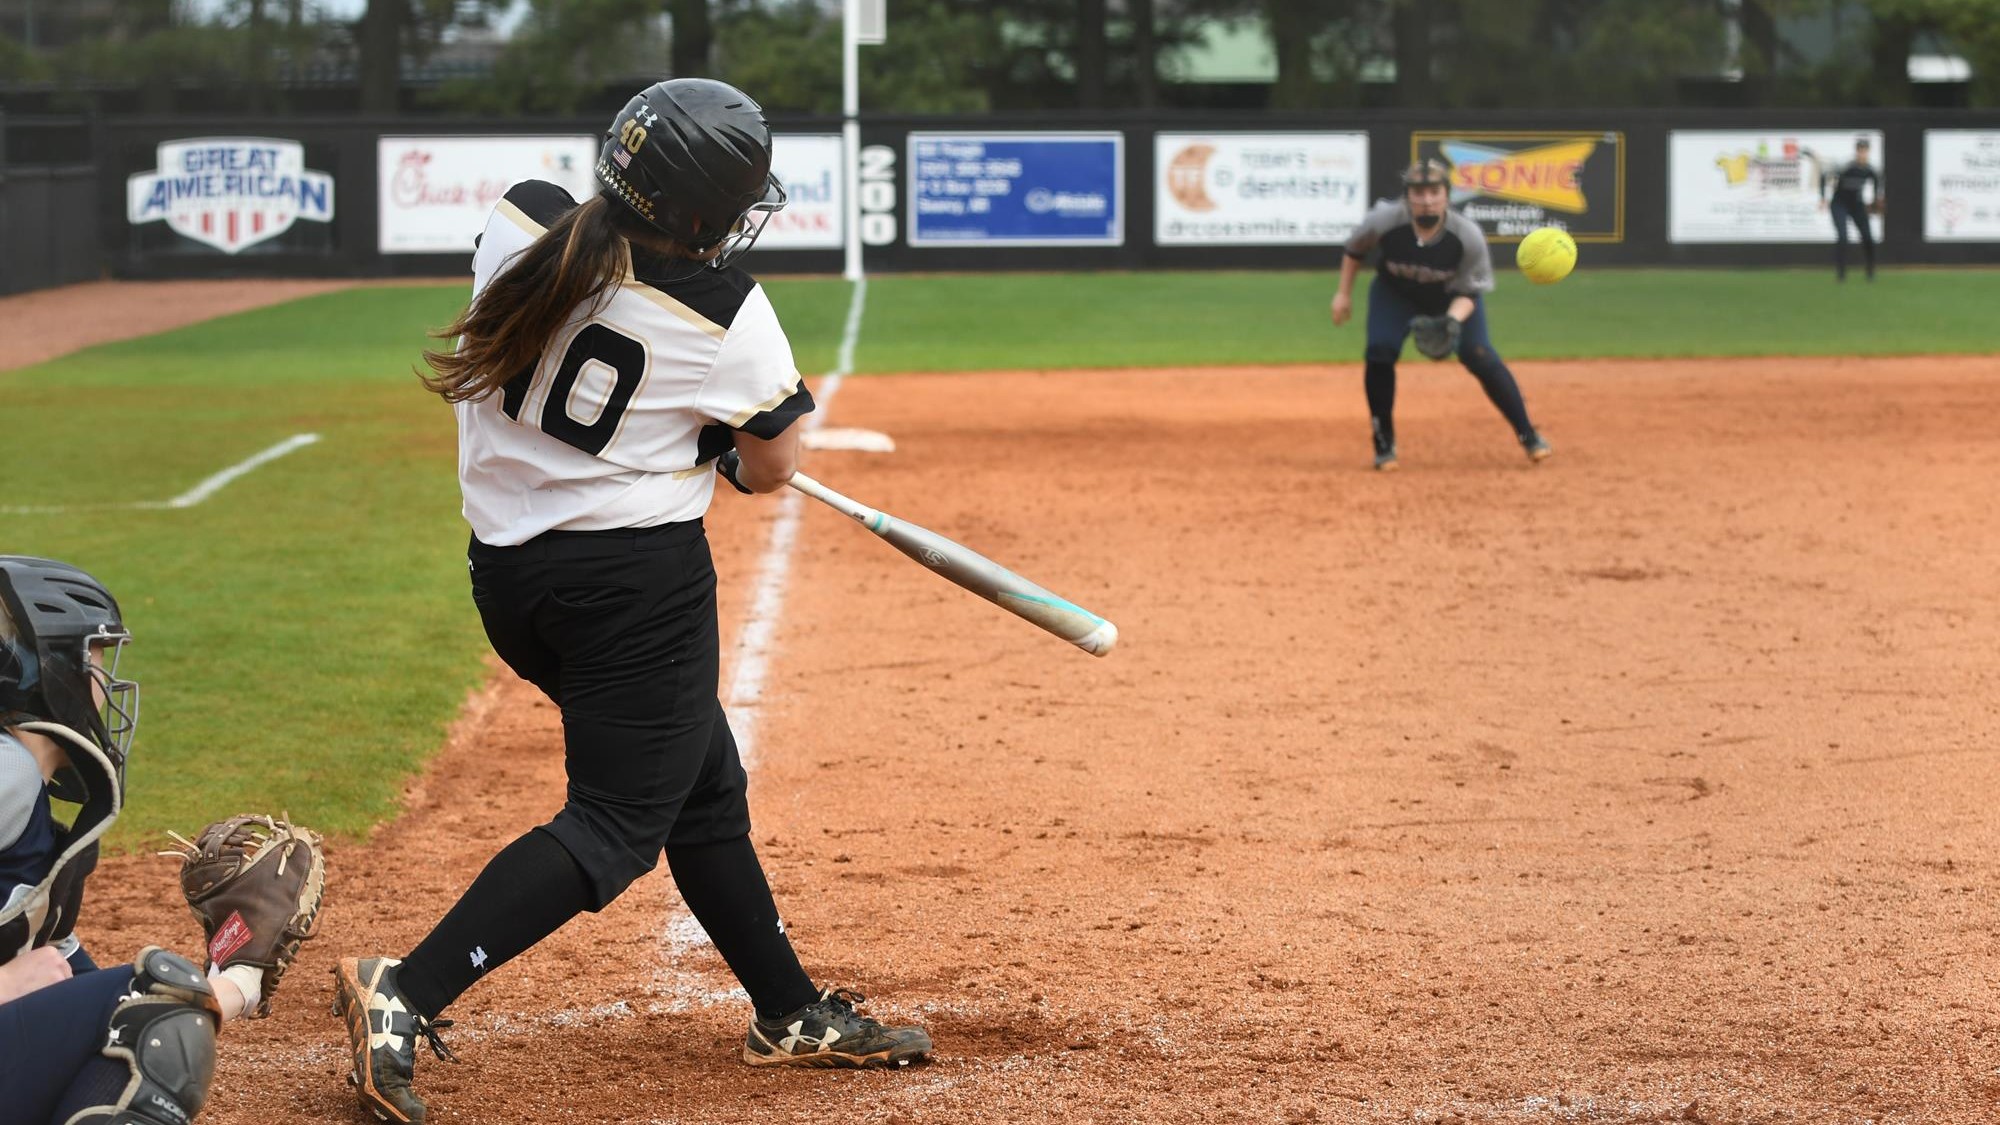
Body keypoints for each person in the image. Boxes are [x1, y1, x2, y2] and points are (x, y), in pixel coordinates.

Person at [332, 77, 931, 1125]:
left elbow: (588, 328)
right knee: (615, 822)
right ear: (700, 212)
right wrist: (718, 451)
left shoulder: (521, 220)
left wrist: (687, 435)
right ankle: (407, 989)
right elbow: (772, 464)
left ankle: (787, 1010)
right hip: (632, 594)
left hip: (510, 583)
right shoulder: (727, 309)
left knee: (699, 781)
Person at [0, 556, 306, 1125]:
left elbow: (118, 1005)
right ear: (44, 667)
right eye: (94, 655)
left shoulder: (21, 785)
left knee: (148, 1016)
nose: (105, 680)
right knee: (157, 1009)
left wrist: (233, 983)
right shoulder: (8, 773)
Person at [1330, 159, 1551, 471]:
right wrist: (1343, 294)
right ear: (1407, 196)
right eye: (1418, 193)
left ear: (1446, 194)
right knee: (1380, 350)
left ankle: (1528, 435)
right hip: (1395, 294)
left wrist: (1451, 321)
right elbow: (1355, 250)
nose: (1427, 200)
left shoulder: (1467, 234)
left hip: (1451, 298)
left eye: (1434, 191)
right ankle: (1384, 444)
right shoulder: (1384, 220)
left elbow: (1470, 291)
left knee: (1479, 354)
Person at [1822, 138, 1882, 282]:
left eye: (1865, 151)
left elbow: (1877, 181)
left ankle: (1870, 271)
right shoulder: (1846, 167)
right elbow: (1824, 175)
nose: (1862, 153)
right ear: (1856, 151)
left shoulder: (1869, 169)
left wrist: (1875, 200)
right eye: (1860, 150)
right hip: (1839, 204)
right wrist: (1822, 197)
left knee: (1868, 237)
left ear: (1868, 152)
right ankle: (1841, 274)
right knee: (1843, 237)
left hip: (1856, 205)